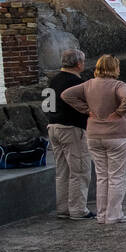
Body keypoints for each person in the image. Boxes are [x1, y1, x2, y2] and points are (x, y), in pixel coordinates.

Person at [61, 54, 126, 225]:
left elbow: (66, 95)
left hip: (94, 135)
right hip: (118, 136)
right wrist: (118, 113)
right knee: (117, 177)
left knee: (102, 177)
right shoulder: (118, 85)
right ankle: (114, 215)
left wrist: (86, 109)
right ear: (114, 68)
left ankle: (102, 215)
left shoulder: (88, 84)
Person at [46, 48, 95, 220]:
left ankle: (63, 208)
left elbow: (47, 105)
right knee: (80, 170)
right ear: (78, 63)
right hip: (71, 129)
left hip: (52, 127)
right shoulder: (74, 82)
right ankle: (78, 210)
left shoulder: (53, 81)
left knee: (62, 171)